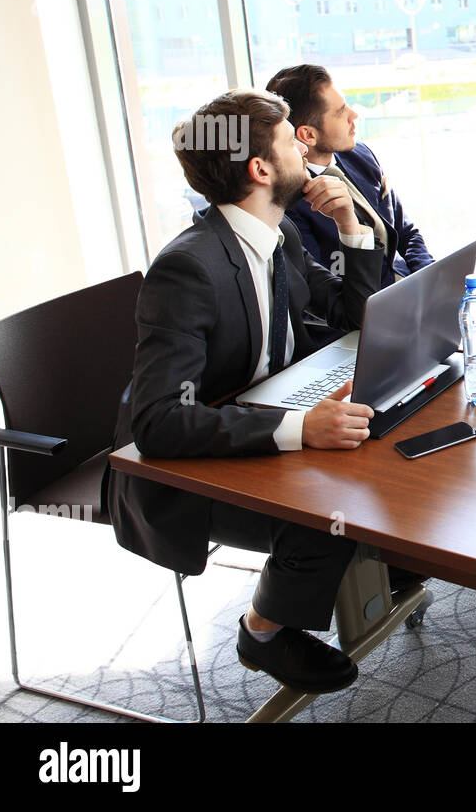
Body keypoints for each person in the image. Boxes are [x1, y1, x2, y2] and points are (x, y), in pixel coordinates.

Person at [104, 88, 384, 695]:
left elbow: (351, 318)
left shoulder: (273, 237)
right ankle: (261, 635)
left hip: (263, 405)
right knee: (331, 514)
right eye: (292, 141)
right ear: (261, 170)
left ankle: (392, 572)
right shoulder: (188, 268)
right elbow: (157, 424)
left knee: (380, 458)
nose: (305, 150)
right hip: (180, 468)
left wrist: (349, 228)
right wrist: (299, 427)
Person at [266, 64, 433, 292]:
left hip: (411, 288)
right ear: (308, 135)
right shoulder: (290, 201)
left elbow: (406, 232)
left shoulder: (361, 155)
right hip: (366, 310)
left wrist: (431, 277)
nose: (354, 115)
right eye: (341, 111)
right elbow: (330, 287)